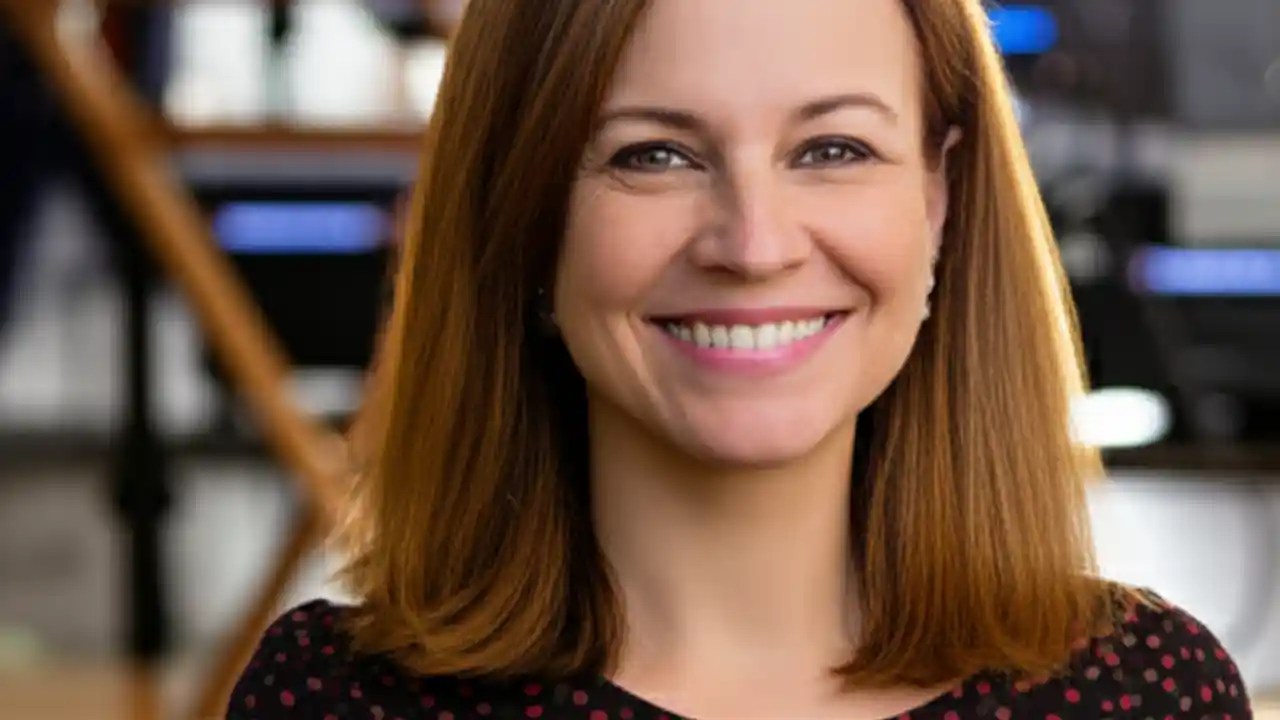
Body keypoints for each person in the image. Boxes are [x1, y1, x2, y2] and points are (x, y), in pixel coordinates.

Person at [229, 0, 1254, 717]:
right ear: (524, 216)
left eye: (832, 150)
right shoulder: (334, 701)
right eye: (653, 155)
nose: (754, 245)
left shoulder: (1144, 696)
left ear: (936, 203)